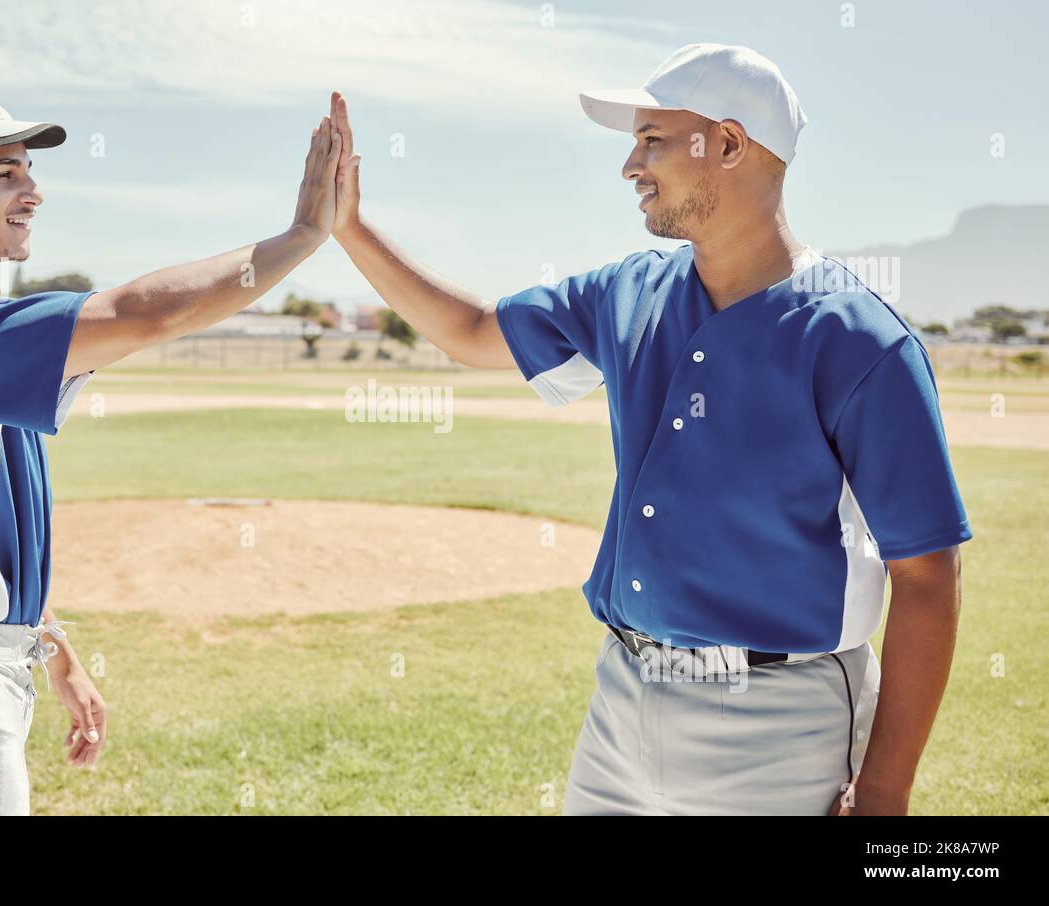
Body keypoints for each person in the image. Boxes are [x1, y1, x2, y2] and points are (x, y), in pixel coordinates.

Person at [323, 43, 972, 815]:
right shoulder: (628, 291)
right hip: (621, 702)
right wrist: (350, 231)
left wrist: (887, 789)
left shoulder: (861, 341)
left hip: (778, 727)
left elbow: (929, 579)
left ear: (727, 144)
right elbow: (470, 330)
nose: (631, 165)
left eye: (651, 140)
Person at [0, 85, 342, 814]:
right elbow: (138, 313)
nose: (31, 191)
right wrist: (300, 237)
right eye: (4, 173)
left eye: (29, 172)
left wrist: (50, 645)